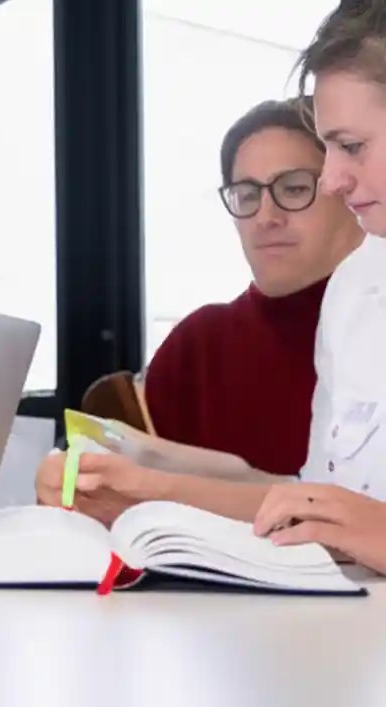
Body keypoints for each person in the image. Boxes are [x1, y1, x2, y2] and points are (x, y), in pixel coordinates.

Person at [38, 0, 386, 574]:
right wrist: (141, 489)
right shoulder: (354, 291)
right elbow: (310, 501)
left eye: (350, 147)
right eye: (246, 195)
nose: (333, 180)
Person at [141, 96, 364, 476]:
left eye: (293, 189)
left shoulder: (370, 335)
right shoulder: (197, 347)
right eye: (246, 195)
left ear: (351, 191)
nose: (265, 216)